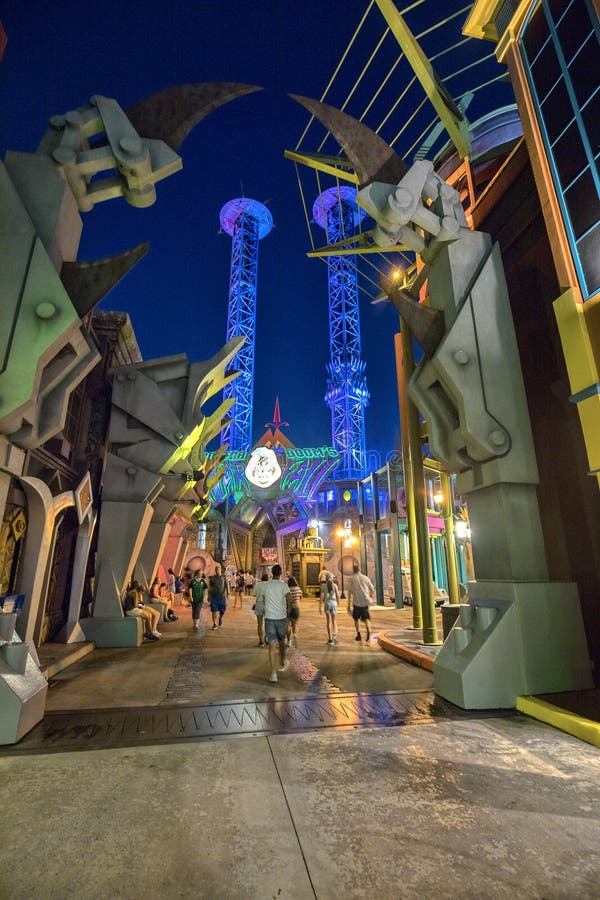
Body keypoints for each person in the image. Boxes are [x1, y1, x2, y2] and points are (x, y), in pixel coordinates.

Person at [262, 563, 292, 683]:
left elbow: (263, 600)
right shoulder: (283, 585)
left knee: (271, 645)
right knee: (281, 641)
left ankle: (273, 673)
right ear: (280, 573)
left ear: (271, 573)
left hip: (269, 617)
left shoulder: (266, 586)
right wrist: (288, 609)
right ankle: (282, 661)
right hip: (281, 617)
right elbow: (289, 598)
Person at [346, 564, 375, 643]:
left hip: (356, 602)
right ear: (360, 570)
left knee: (356, 619)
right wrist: (370, 597)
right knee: (366, 618)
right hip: (365, 602)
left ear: (353, 570)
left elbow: (349, 593)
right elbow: (372, 589)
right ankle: (369, 632)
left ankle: (358, 634)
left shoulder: (351, 579)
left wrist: (348, 605)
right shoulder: (366, 578)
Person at [208, 564, 228, 629]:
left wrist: (228, 593)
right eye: (216, 569)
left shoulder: (224, 577)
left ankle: (220, 618)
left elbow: (226, 585)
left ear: (221, 570)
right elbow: (210, 587)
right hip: (214, 596)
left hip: (222, 596)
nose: (217, 570)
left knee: (223, 610)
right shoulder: (212, 578)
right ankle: (214, 624)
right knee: (214, 610)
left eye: (218, 569)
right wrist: (209, 596)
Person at [253, 572, 269, 646]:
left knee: (259, 624)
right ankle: (267, 637)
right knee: (268, 623)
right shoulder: (270, 585)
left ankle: (261, 641)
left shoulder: (258, 585)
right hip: (268, 605)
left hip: (259, 604)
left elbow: (254, 594)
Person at [323, 572, 340, 644]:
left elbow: (322, 597)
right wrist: (338, 602)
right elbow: (338, 595)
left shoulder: (323, 586)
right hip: (334, 604)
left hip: (327, 604)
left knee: (328, 622)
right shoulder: (335, 586)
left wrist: (320, 605)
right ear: (332, 578)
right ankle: (335, 635)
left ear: (326, 579)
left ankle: (330, 640)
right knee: (334, 621)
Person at [286, 576, 302, 645]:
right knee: (295, 623)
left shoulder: (287, 589)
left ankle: (289, 640)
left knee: (288, 624)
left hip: (289, 608)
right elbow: (301, 597)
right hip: (296, 608)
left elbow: (286, 598)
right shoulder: (298, 589)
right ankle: (295, 635)